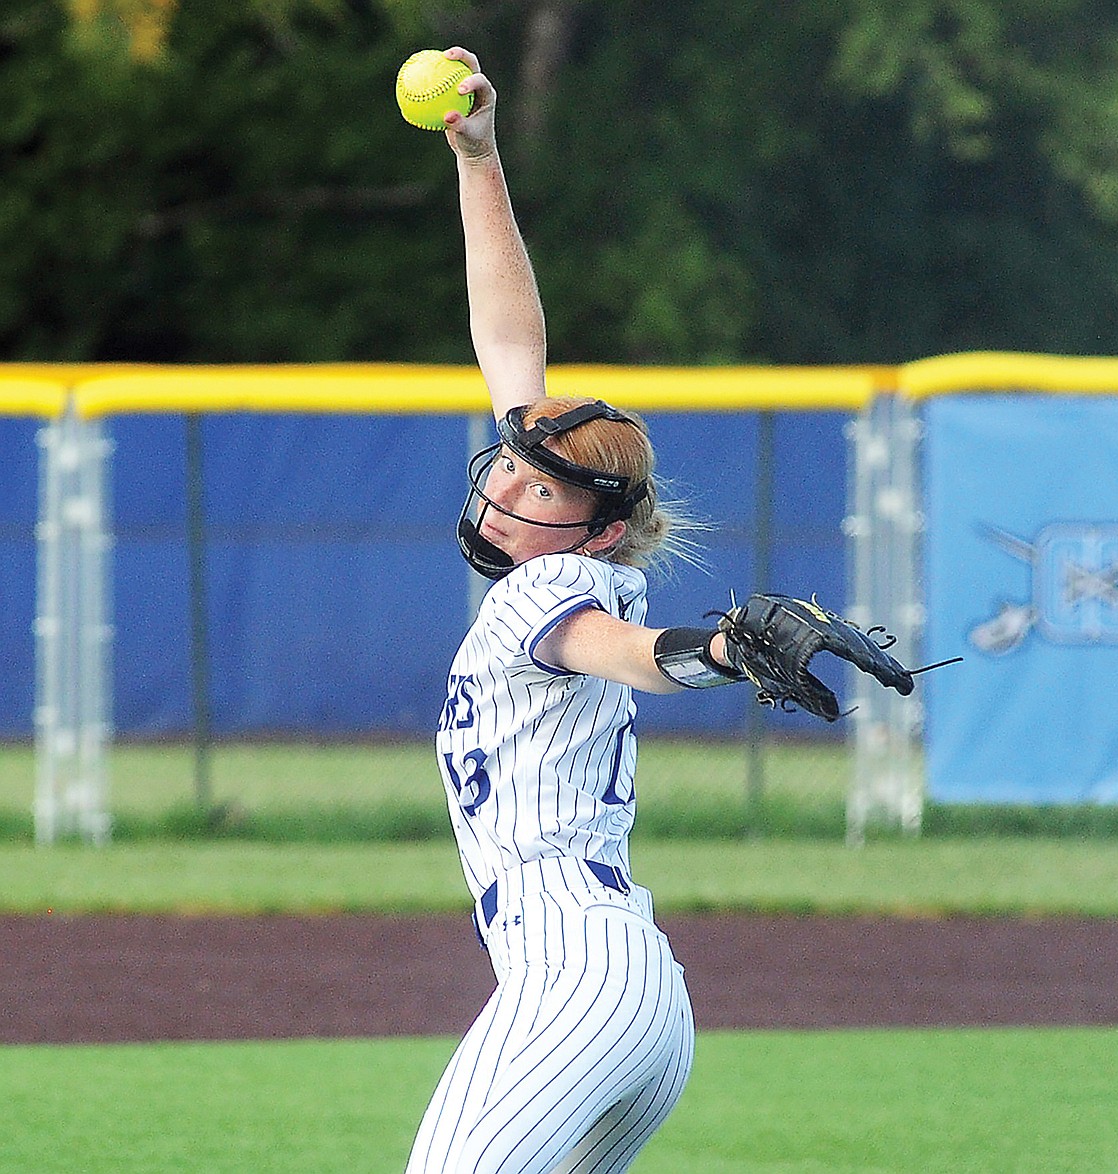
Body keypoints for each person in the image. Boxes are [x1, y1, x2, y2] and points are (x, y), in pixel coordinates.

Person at [404, 47, 746, 1174]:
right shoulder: (571, 555)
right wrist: (479, 158)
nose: (504, 486)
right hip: (637, 996)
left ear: (596, 528)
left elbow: (635, 657)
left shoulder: (552, 585)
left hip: (574, 982)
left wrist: (718, 648)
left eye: (538, 488)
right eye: (510, 466)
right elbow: (509, 340)